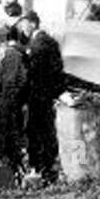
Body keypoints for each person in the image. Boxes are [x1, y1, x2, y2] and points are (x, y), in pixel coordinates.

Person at [19, 11, 65, 180]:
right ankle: (48, 167)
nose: (22, 28)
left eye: (23, 24)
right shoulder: (51, 42)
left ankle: (39, 168)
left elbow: (33, 74)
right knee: (47, 132)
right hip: (48, 95)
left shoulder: (38, 44)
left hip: (38, 96)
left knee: (36, 132)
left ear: (32, 23)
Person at [0, 23, 28, 172]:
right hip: (13, 97)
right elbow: (23, 78)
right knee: (12, 132)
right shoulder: (16, 54)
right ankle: (15, 167)